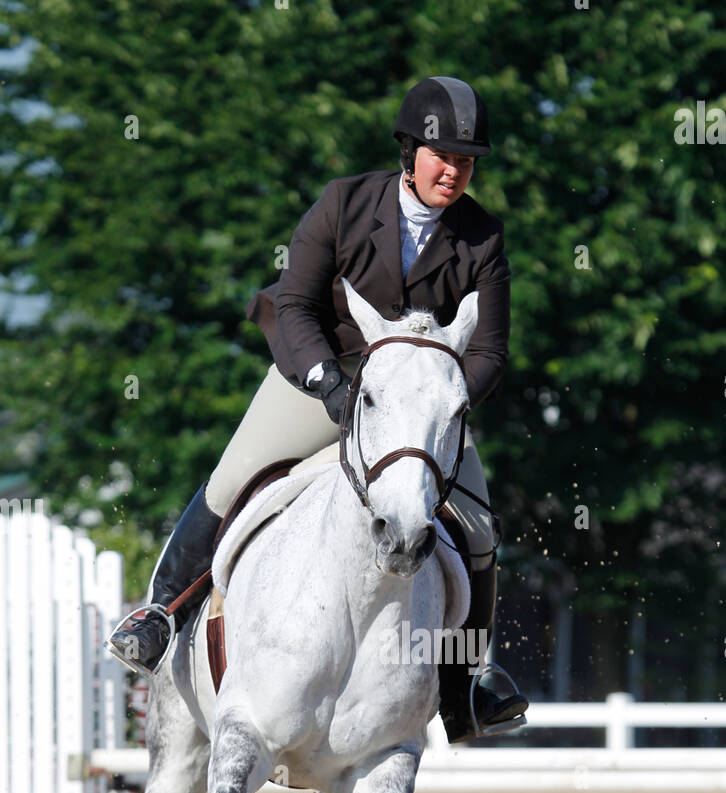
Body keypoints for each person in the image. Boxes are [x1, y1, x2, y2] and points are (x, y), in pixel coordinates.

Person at [108, 75, 528, 742]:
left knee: (476, 528)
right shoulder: (344, 204)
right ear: (408, 151)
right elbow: (293, 302)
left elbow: (492, 352)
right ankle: (157, 614)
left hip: (416, 407)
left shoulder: (483, 238)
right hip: (322, 378)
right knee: (232, 479)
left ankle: (463, 683)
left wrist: (443, 400)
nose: (454, 171)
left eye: (466, 160)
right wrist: (329, 382)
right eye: (442, 156)